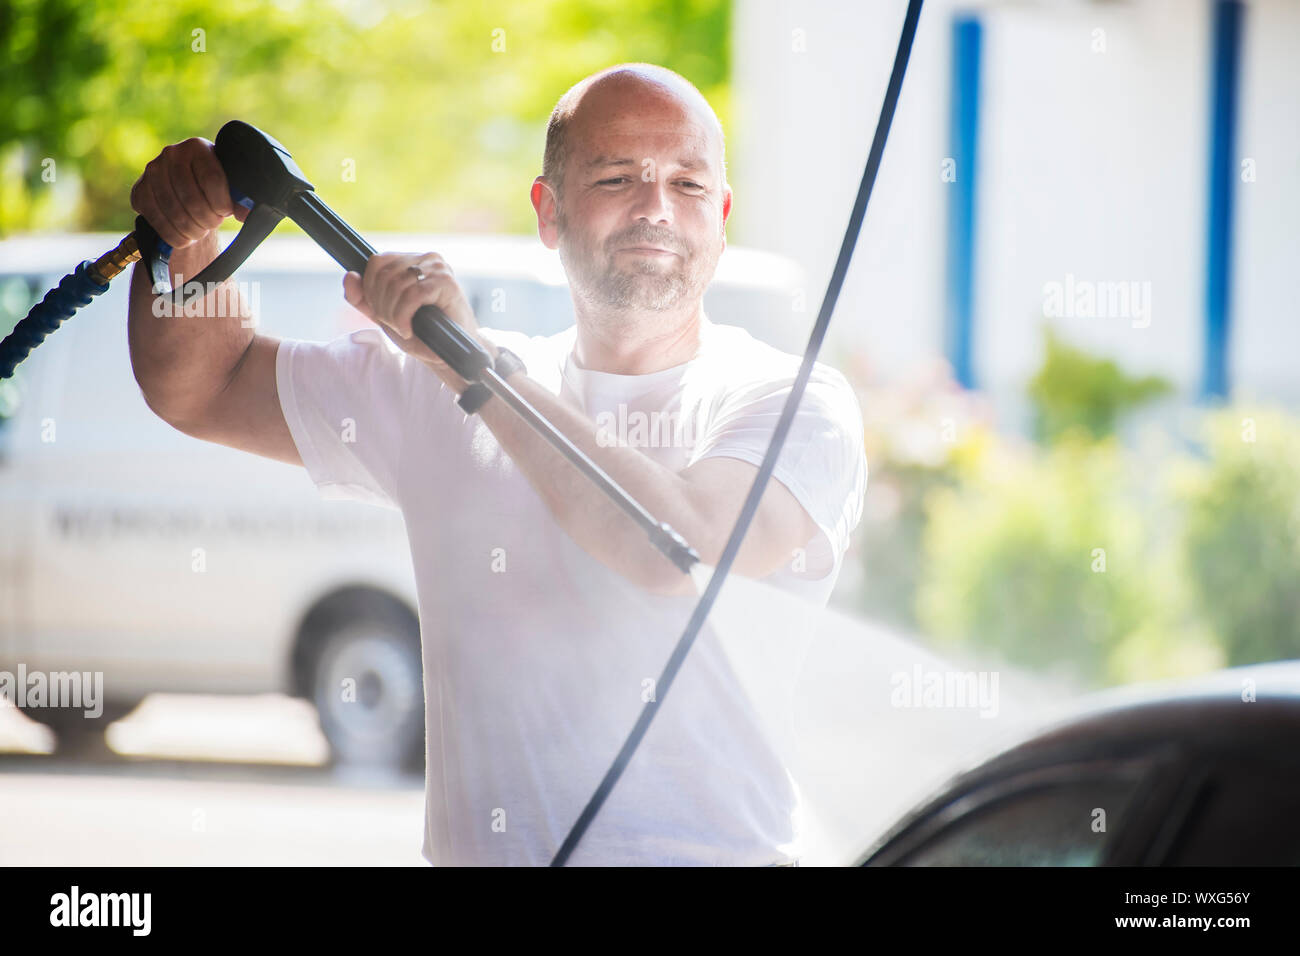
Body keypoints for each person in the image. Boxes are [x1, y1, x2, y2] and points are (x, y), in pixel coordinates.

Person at [127, 62, 866, 866]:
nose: (657, 208)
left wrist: (473, 369)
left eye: (688, 186)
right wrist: (185, 232)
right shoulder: (439, 374)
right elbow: (204, 385)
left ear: (721, 217)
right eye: (617, 176)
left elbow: (680, 550)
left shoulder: (792, 403)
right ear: (548, 214)